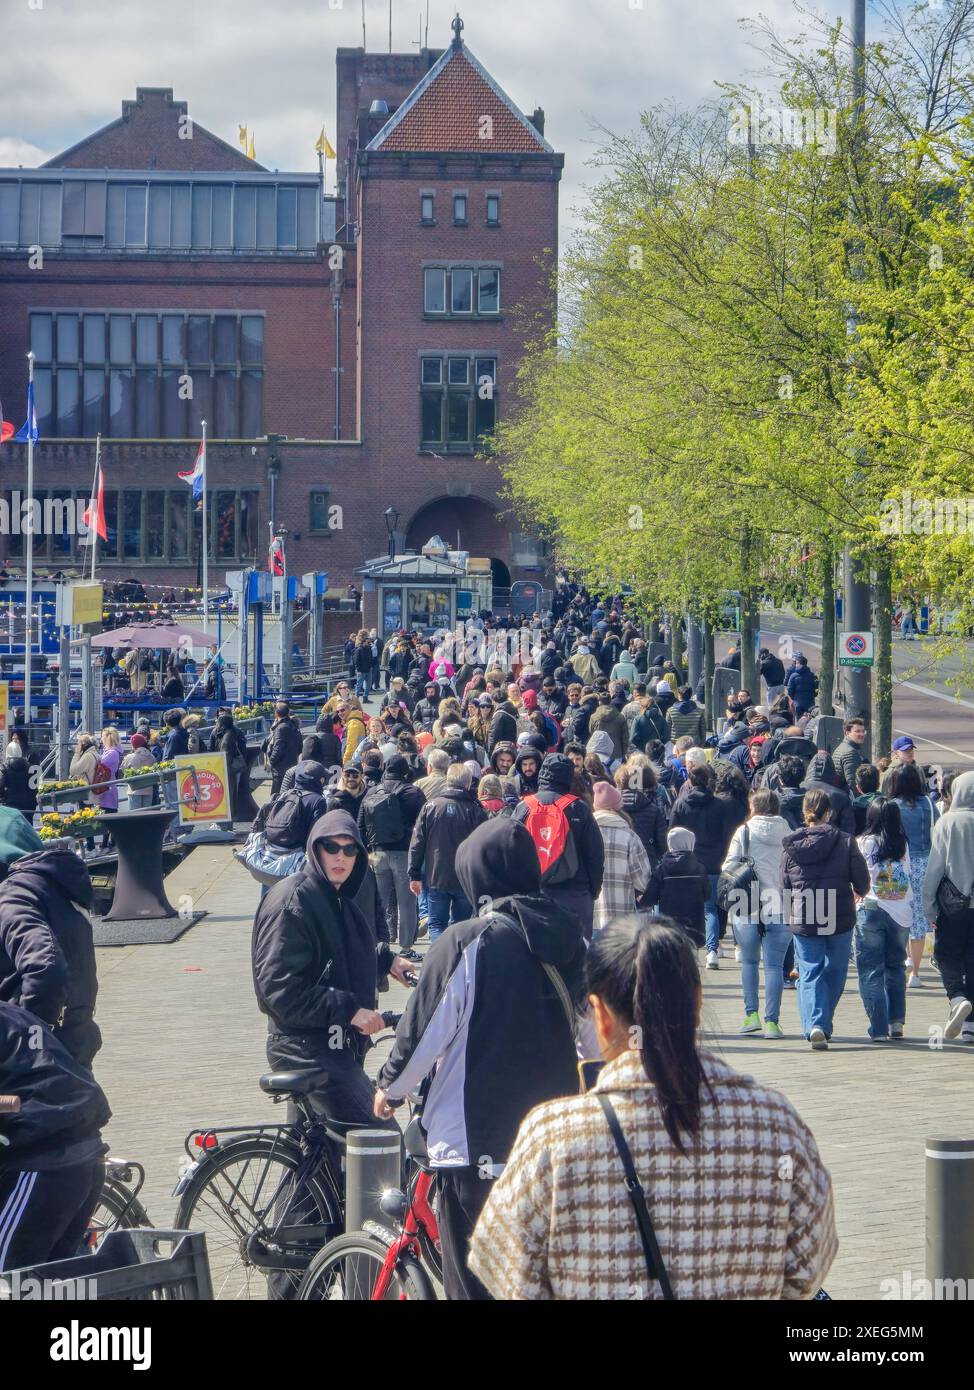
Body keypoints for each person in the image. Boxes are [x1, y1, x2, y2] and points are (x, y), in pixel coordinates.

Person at [467, 918, 837, 1300]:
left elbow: (508, 1275)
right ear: (696, 1003)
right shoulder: (776, 1126)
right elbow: (808, 1268)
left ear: (600, 1015)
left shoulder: (552, 1137)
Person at [374, 818, 586, 1300]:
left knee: (474, 1286)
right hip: (554, 1145)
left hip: (478, 1150)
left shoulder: (467, 941)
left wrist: (390, 1088)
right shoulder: (572, 940)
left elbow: (423, 1032)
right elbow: (595, 1042)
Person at [252, 811, 413, 1144]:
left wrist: (386, 959)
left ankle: (309, 1197)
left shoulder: (335, 897)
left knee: (315, 1162)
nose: (341, 856)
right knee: (382, 1139)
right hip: (306, 1047)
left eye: (349, 849)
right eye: (331, 847)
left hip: (330, 1043)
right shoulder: (294, 900)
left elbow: (338, 948)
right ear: (315, 849)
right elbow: (277, 988)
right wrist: (348, 1010)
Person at [0, 1000, 111, 1274]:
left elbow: (13, 1102)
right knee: (51, 1285)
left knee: (9, 1279)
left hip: (46, 1165)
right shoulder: (13, 1013)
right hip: (84, 1154)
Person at [0, 833, 100, 1069]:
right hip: (75, 1034)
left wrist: (31, 1035)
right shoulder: (54, 886)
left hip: (39, 1057)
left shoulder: (13, 896)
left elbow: (45, 966)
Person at [780, 788, 870, 1050]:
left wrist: (789, 915)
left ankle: (815, 1024)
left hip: (805, 914)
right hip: (839, 912)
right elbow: (862, 881)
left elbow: (783, 886)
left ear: (804, 812)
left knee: (809, 971)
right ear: (829, 812)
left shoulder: (790, 844)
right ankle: (820, 1022)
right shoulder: (844, 841)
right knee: (836, 971)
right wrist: (860, 891)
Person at [722, 789, 792, 1038]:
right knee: (774, 967)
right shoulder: (789, 833)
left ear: (754, 807)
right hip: (780, 905)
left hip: (746, 903)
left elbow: (728, 866)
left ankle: (751, 1015)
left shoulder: (744, 832)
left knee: (750, 962)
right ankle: (772, 1022)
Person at [512, 753, 605, 939]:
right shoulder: (579, 808)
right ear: (568, 777)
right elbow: (595, 854)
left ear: (542, 775)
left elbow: (511, 850)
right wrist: (592, 891)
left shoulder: (524, 807)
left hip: (533, 893)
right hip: (575, 893)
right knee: (578, 955)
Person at [922, 770, 974, 1042]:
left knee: (946, 955)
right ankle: (970, 1026)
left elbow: (935, 869)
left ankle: (957, 997)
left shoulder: (947, 822)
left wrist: (928, 906)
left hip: (953, 904)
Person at [855, 797, 912, 1041]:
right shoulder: (903, 844)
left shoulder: (864, 842)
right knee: (896, 966)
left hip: (871, 908)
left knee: (870, 970)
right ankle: (896, 1022)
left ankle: (878, 1028)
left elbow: (858, 879)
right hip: (900, 912)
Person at [408, 764, 487, 940]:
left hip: (437, 876)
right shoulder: (475, 810)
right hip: (464, 877)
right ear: (468, 784)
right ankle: (456, 962)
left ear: (447, 781)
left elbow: (417, 843)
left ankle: (439, 962)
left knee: (436, 924)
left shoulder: (431, 807)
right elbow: (483, 846)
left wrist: (414, 874)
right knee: (460, 926)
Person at [670, 762, 736, 970]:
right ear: (708, 781)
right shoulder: (718, 805)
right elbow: (726, 835)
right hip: (713, 862)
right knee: (710, 909)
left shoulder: (680, 804)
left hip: (687, 862)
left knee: (684, 908)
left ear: (689, 780)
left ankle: (683, 952)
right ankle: (712, 951)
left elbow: (671, 833)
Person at [359, 754, 425, 953]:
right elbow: (424, 825)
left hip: (377, 854)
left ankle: (380, 945)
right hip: (405, 853)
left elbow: (360, 825)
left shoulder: (371, 792)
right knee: (407, 902)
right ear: (406, 771)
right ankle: (405, 948)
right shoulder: (414, 793)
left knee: (380, 902)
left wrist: (368, 850)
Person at [890, 762, 938, 989]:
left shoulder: (891, 806)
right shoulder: (929, 804)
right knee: (919, 918)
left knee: (899, 914)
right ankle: (916, 973)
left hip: (901, 863)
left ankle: (902, 962)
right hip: (926, 864)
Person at [591, 782, 651, 933]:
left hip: (592, 913)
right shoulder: (629, 836)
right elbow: (642, 879)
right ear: (616, 807)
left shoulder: (586, 833)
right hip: (623, 915)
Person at [643, 827, 708, 945]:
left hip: (669, 926)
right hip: (693, 926)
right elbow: (707, 894)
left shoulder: (661, 869)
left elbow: (650, 897)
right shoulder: (699, 868)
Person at [262, 701, 303, 797]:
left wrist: (271, 761)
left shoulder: (280, 728)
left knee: (275, 796)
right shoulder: (294, 726)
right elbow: (299, 747)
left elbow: (278, 747)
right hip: (292, 766)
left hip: (280, 769)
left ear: (276, 713)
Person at [0, 742, 36, 824]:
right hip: (27, 804)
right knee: (27, 829)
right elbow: (33, 787)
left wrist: (3, 797)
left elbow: (1, 786)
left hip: (9, 804)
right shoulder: (29, 767)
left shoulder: (4, 767)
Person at [120, 732, 156, 810]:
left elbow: (123, 769)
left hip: (134, 789)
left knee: (135, 816)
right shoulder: (151, 756)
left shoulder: (130, 757)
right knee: (146, 815)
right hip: (148, 789)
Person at [832, 718, 868, 794]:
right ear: (847, 733)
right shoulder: (850, 753)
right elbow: (853, 783)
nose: (862, 734)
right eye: (857, 731)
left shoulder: (841, 747)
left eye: (863, 731)